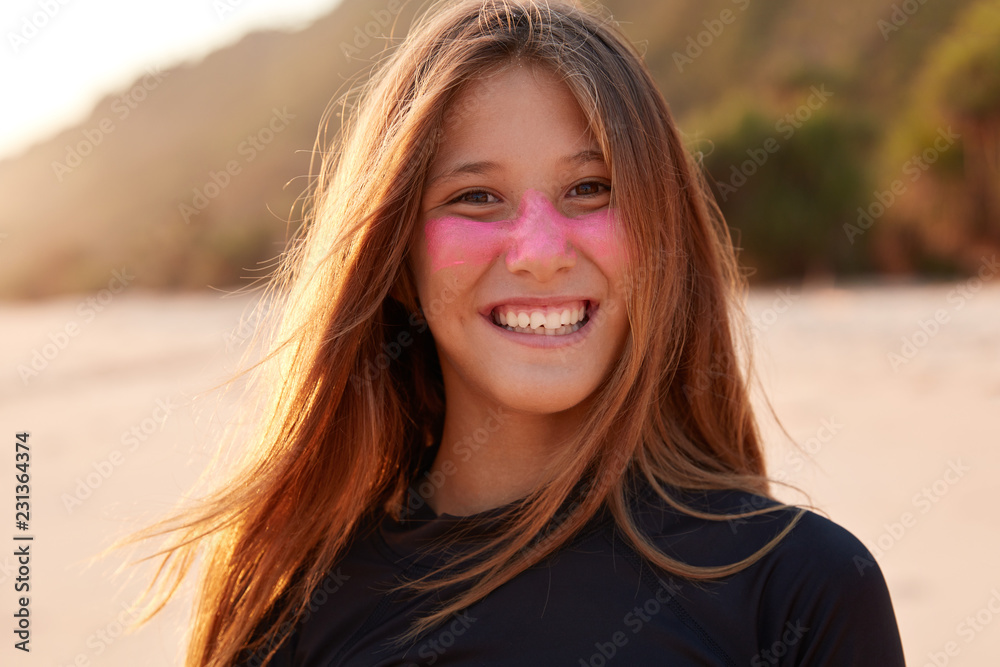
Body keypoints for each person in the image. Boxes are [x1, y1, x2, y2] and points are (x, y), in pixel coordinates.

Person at [130, 1, 907, 665]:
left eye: (590, 187)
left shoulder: (801, 590)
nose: (539, 251)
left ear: (662, 236)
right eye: (476, 196)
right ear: (396, 261)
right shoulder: (293, 603)